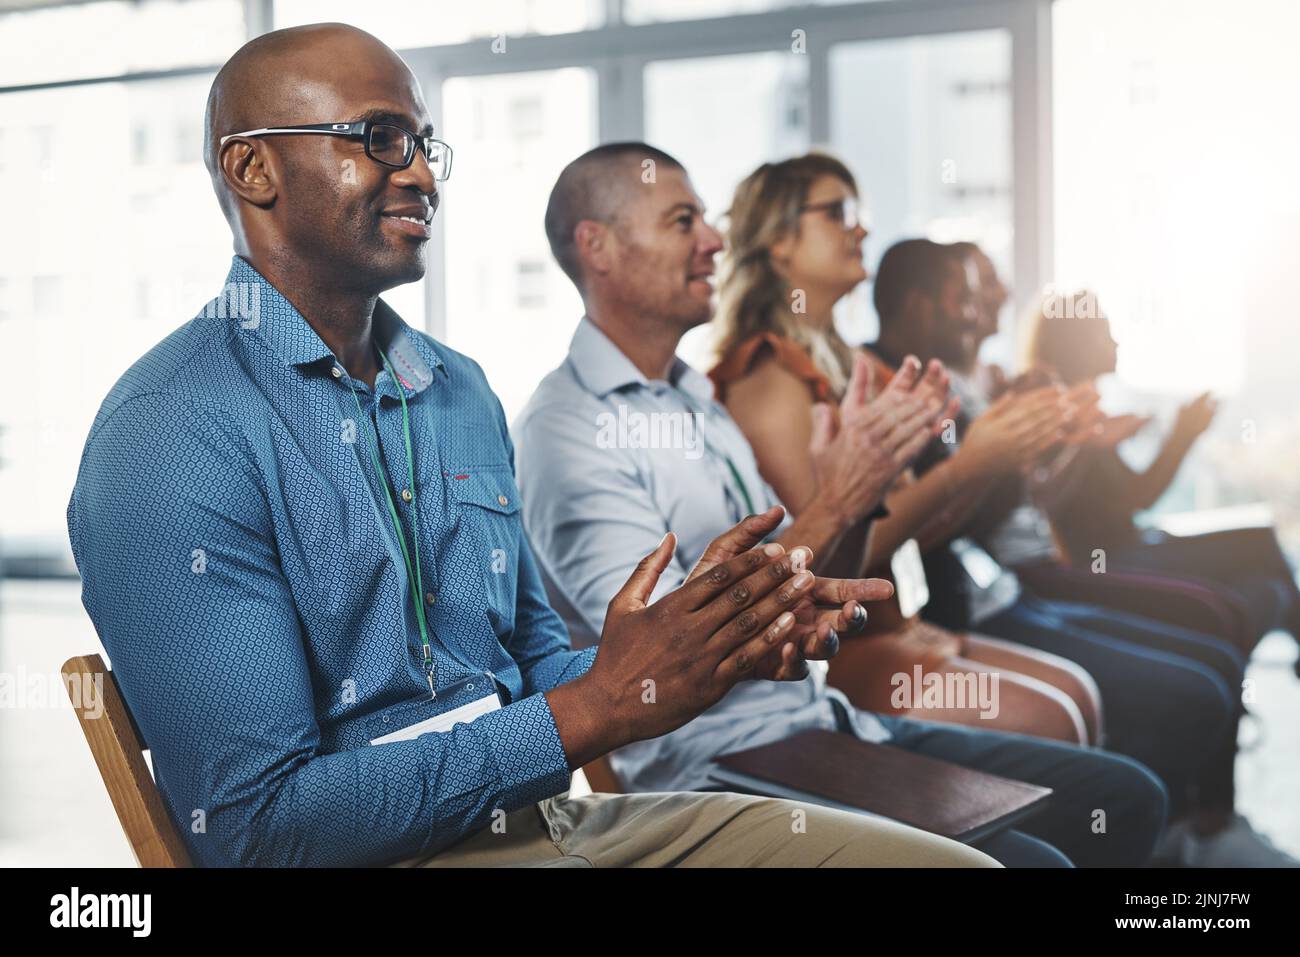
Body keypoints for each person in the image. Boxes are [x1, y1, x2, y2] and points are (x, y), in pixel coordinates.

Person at [63, 24, 1000, 869]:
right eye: (380, 139)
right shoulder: (168, 432)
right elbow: (261, 830)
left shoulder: (458, 389)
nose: (423, 173)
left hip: (546, 822)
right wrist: (594, 708)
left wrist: (708, 650)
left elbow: (537, 662)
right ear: (252, 170)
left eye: (425, 145)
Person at [515, 142, 1169, 867]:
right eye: (682, 220)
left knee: (1128, 794)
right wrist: (845, 496)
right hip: (716, 770)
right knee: (1040, 859)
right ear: (596, 247)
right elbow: (671, 655)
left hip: (820, 722)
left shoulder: (697, 399)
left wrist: (856, 502)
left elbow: (810, 573)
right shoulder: (565, 427)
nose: (713, 239)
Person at [870, 240, 1295, 866]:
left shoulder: (979, 386)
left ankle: (1195, 824)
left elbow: (1024, 501)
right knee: (1205, 650)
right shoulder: (909, 385)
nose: (983, 307)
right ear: (918, 304)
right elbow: (959, 523)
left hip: (1015, 584)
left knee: (1229, 609)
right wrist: (1021, 453)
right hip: (1014, 586)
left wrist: (1054, 447)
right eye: (966, 295)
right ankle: (1193, 828)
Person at [710, 153, 1102, 746]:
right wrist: (975, 462)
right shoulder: (769, 377)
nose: (861, 228)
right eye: (837, 212)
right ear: (780, 240)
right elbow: (828, 563)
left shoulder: (844, 361)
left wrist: (1000, 452)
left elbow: (912, 523)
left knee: (1079, 695)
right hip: (839, 652)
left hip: (902, 621)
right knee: (1058, 717)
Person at [1021, 290, 1300, 663]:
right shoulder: (1057, 411)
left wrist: (1184, 436)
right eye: (1104, 332)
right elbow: (1136, 497)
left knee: (1268, 586)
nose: (1115, 342)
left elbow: (1136, 495)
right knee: (1259, 543)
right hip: (1108, 561)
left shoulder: (1085, 409)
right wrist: (1180, 438)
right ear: (1075, 342)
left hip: (1131, 546)